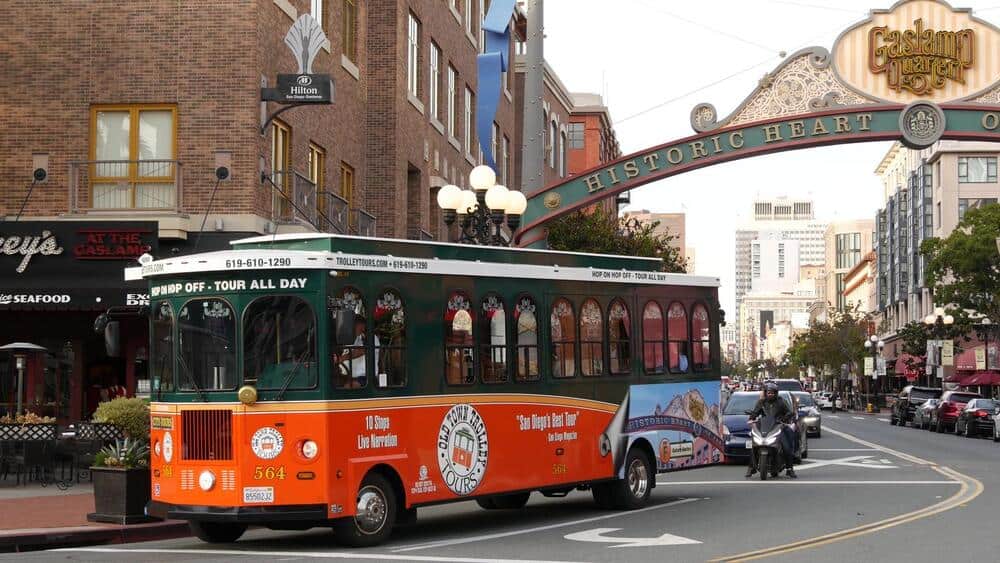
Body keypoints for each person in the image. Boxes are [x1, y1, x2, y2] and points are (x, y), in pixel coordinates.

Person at [746, 382, 797, 478]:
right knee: (754, 445)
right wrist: (751, 418)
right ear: (765, 393)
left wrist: (784, 419)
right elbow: (755, 412)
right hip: (764, 427)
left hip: (779, 426)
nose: (770, 394)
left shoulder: (781, 401)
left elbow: (789, 412)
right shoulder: (761, 402)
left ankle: (790, 469)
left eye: (772, 393)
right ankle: (751, 467)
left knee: (786, 447)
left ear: (776, 393)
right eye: (768, 392)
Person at [336, 316, 379, 388]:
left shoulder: (372, 338)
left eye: (354, 325)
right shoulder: (352, 338)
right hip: (344, 376)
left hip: (364, 378)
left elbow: (361, 351)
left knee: (347, 387)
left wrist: (341, 358)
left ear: (362, 325)